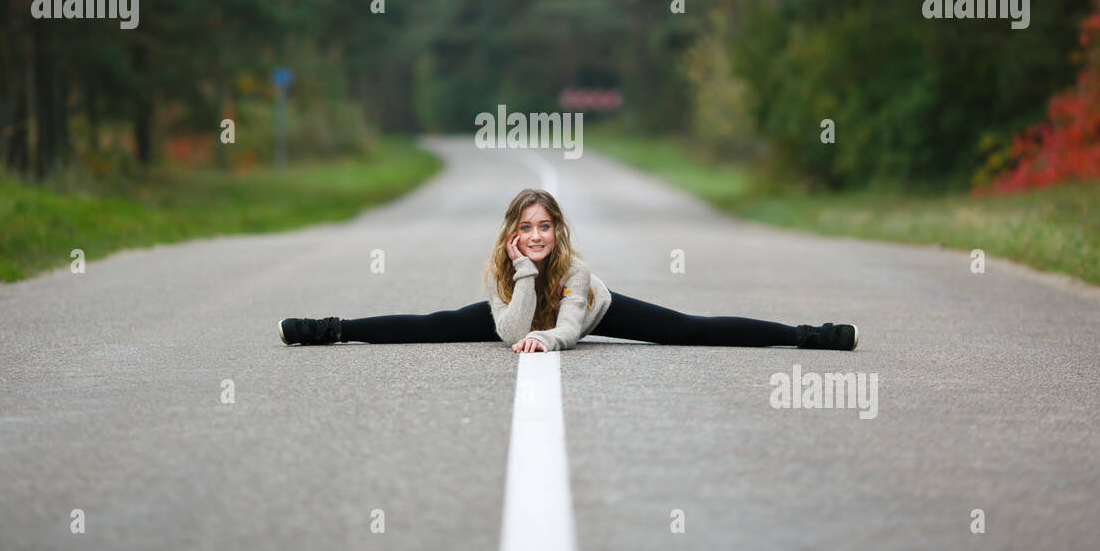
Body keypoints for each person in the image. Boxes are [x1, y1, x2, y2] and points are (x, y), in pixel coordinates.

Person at [278, 188, 857, 351]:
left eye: (544, 227)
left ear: (557, 232)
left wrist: (545, 337)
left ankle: (808, 336)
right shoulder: (499, 269)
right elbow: (509, 331)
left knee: (689, 329)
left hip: (587, 312)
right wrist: (523, 279)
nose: (534, 237)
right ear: (512, 233)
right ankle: (328, 328)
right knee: (432, 323)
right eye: (524, 228)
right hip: (523, 309)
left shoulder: (575, 270)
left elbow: (571, 330)